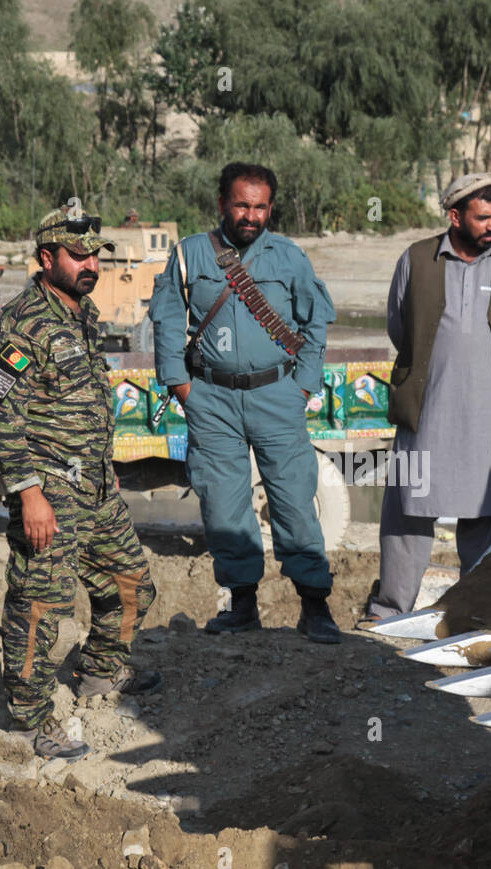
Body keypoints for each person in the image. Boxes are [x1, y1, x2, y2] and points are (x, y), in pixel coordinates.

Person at [0, 208, 160, 761]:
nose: (90, 264)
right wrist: (29, 494)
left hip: (97, 486)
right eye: (77, 255)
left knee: (133, 584)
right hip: (49, 489)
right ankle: (29, 718)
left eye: (95, 255)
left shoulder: (83, 313)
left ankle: (99, 673)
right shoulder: (19, 324)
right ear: (45, 259)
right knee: (41, 605)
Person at [149, 162, 342, 643]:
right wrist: (181, 387)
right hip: (210, 397)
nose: (250, 215)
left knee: (295, 501)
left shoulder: (290, 257)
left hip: (277, 395)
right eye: (241, 204)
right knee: (224, 505)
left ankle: (315, 606)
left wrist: (302, 387)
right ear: (221, 204)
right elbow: (168, 319)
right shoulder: (191, 254)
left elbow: (316, 323)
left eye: (259, 207)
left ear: (270, 209)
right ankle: (242, 607)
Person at [363, 173, 491, 622]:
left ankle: (477, 614)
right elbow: (399, 327)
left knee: (487, 515)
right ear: (455, 216)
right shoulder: (417, 259)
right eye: (483, 218)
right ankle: (389, 611)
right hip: (427, 411)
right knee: (409, 511)